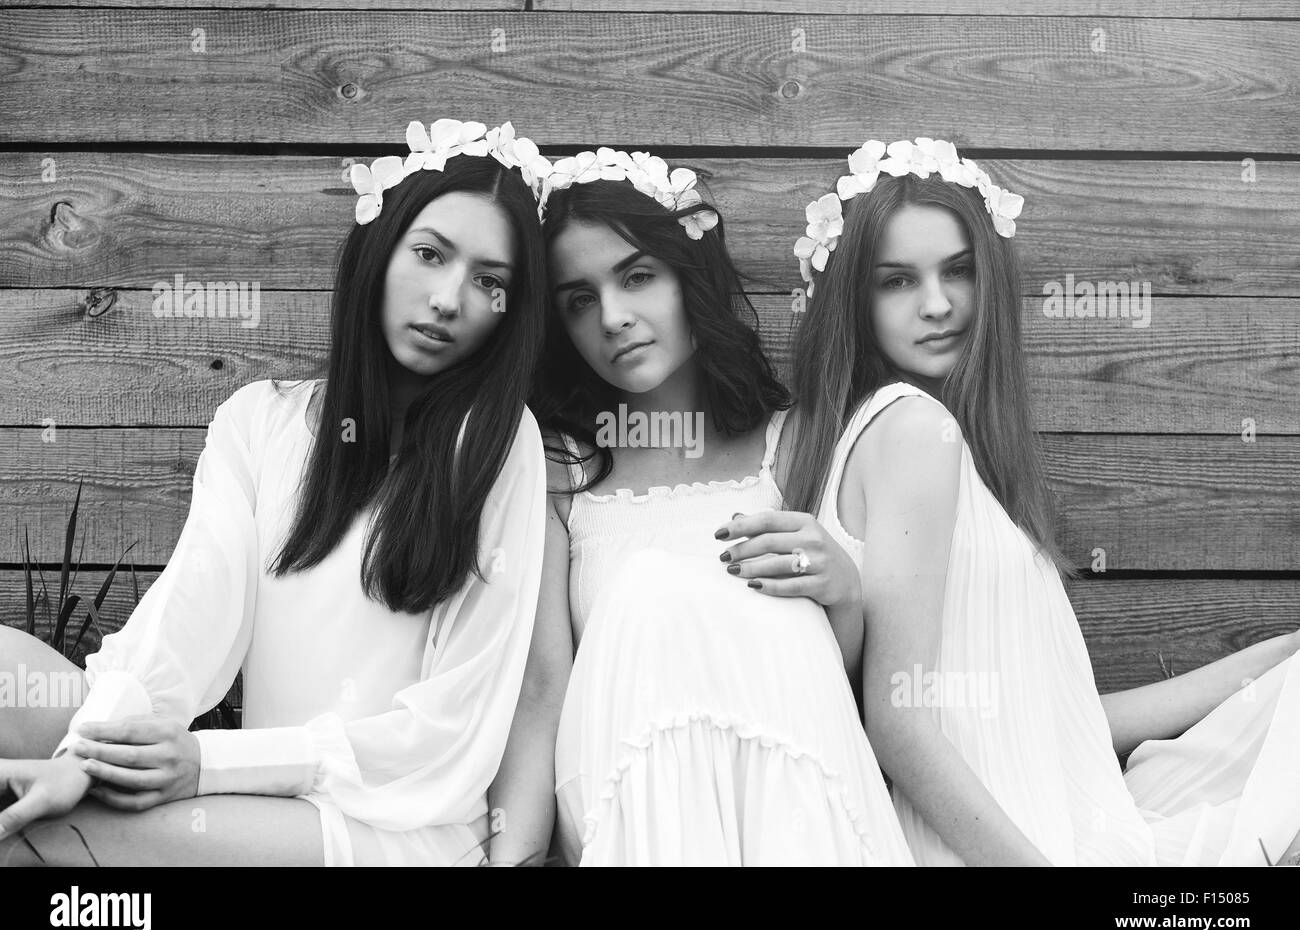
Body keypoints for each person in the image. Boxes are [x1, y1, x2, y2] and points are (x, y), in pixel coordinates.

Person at [0, 119, 564, 867]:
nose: (450, 298)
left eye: (490, 282)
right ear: (380, 248)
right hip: (265, 799)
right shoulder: (260, 420)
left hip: (391, 827)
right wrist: (85, 755)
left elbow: (445, 734)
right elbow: (185, 621)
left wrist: (209, 765)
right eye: (430, 254)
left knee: (44, 843)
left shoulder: (498, 444)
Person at [784, 136, 1300, 866]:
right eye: (896, 281)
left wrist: (1272, 661)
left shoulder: (918, 439)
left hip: (1042, 825)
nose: (937, 305)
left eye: (957, 271)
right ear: (852, 298)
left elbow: (1031, 718)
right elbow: (899, 723)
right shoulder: (910, 429)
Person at [531, 147, 914, 865]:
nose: (612, 318)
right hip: (629, 798)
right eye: (579, 300)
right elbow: (547, 688)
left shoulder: (795, 444)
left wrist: (846, 594)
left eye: (638, 277)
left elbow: (835, 681)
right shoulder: (559, 469)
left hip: (781, 791)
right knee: (652, 591)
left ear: (690, 280)